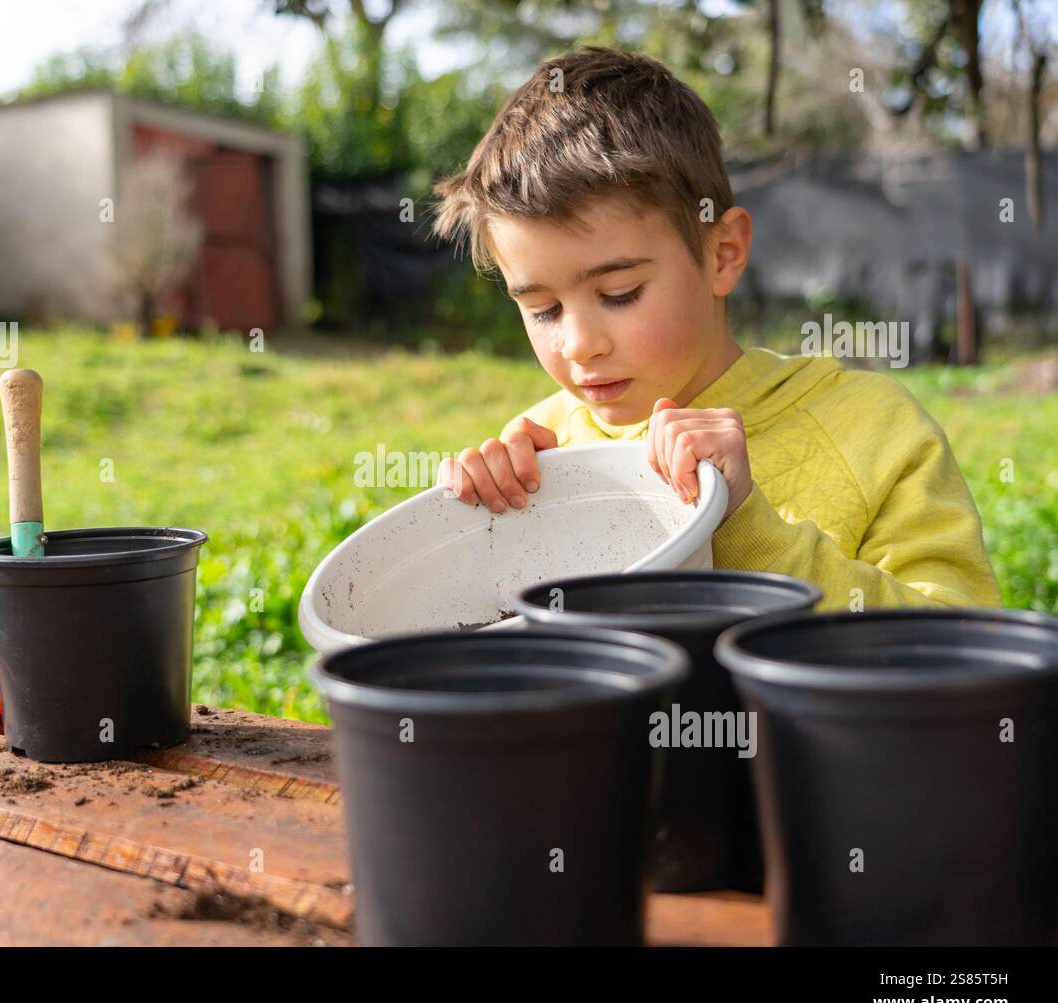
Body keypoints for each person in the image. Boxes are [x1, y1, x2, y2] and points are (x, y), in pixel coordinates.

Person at [428, 47, 999, 610]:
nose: (578, 344)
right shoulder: (542, 457)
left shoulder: (874, 430)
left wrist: (743, 527)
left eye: (619, 294)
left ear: (723, 252)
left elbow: (959, 645)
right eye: (543, 309)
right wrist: (487, 535)